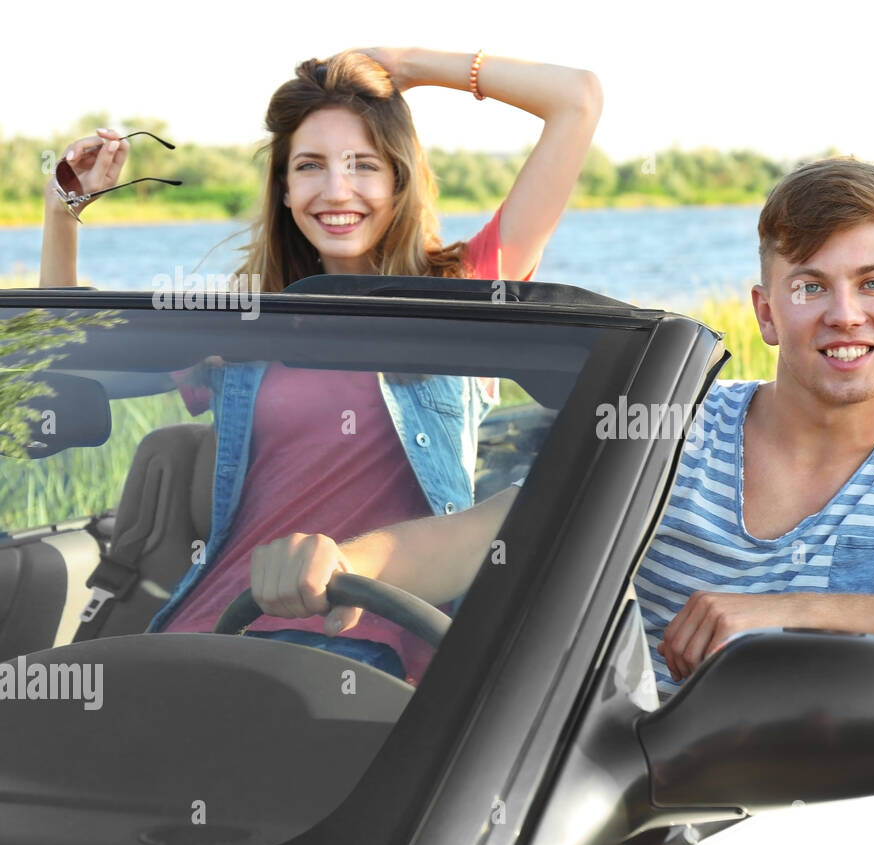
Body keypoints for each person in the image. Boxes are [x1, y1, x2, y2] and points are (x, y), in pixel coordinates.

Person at [244, 157, 874, 697]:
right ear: (765, 310)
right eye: (811, 287)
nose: (846, 315)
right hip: (632, 796)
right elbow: (497, 533)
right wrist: (342, 559)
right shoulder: (673, 424)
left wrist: (793, 611)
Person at [39, 48, 602, 685]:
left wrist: (408, 66)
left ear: (398, 179)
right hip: (215, 627)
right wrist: (64, 208)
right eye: (311, 167)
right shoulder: (246, 323)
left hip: (374, 647)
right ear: (284, 188)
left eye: (363, 165)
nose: (337, 191)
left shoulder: (467, 293)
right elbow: (65, 353)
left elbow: (576, 100)